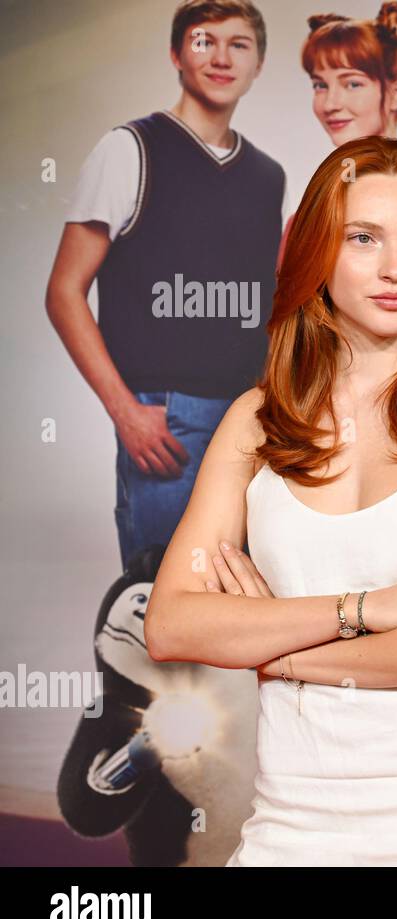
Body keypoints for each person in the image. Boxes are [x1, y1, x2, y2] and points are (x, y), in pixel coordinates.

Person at [143, 136, 397, 865]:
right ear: (317, 254)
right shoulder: (255, 420)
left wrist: (278, 649)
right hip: (294, 818)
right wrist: (361, 610)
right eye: (364, 239)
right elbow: (171, 622)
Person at [46, 0, 287, 571]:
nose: (222, 58)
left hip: (249, 418)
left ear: (258, 64)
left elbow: (265, 305)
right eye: (205, 42)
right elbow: (63, 292)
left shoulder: (267, 175)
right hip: (165, 422)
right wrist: (125, 410)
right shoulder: (130, 150)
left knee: (236, 603)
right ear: (177, 55)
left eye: (239, 44)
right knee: (157, 599)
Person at [276, 1, 397, 270]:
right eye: (320, 85)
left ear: (395, 93)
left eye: (352, 83)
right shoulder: (304, 223)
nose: (330, 103)